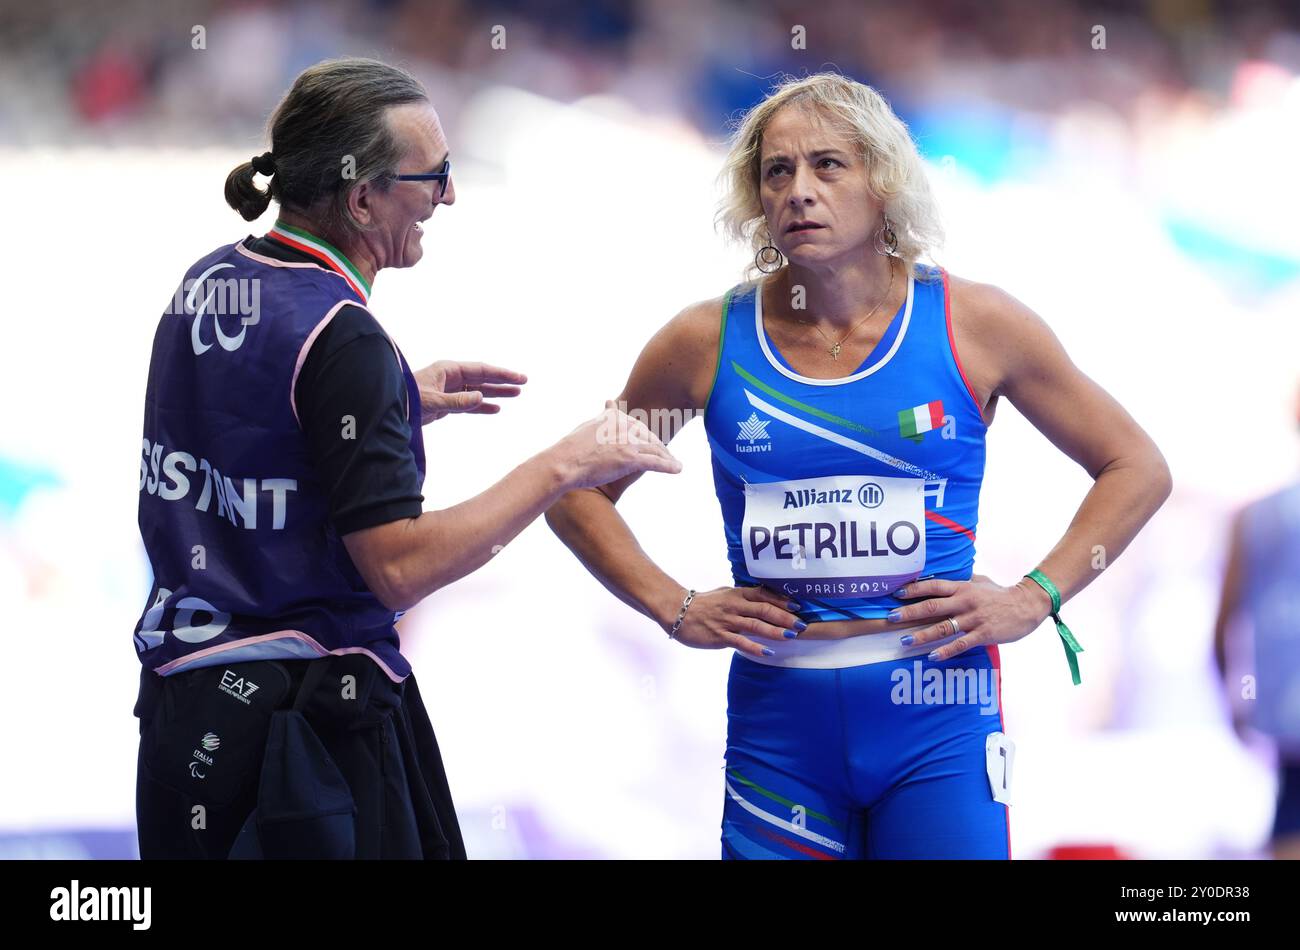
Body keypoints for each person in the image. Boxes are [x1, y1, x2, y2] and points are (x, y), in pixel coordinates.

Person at [545, 72, 1171, 859]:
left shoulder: (976, 325)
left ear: (884, 182)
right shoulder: (703, 345)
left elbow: (1136, 466)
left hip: (937, 715)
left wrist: (1035, 596)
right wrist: (675, 606)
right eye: (778, 171)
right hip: (782, 727)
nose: (799, 190)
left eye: (827, 166)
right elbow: (576, 492)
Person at [132, 57, 679, 860]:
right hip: (302, 742)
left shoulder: (210, 279)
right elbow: (398, 568)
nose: (448, 196)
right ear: (362, 198)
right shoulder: (342, 337)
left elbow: (226, 430)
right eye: (436, 175)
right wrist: (560, 463)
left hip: (185, 721)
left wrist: (386, 405)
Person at [1214, 381, 1300, 860]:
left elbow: (1224, 623)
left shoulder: (1255, 517)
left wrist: (1235, 701)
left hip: (1287, 716)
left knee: (1291, 808)